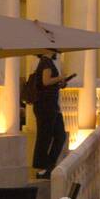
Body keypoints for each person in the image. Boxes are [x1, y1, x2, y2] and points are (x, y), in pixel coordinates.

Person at [31, 49, 74, 178]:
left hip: (52, 106)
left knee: (60, 136)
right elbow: (46, 81)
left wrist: (61, 83)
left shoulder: (48, 62)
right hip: (45, 106)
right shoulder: (46, 62)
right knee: (45, 137)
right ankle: (43, 167)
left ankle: (49, 166)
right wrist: (60, 78)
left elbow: (49, 83)